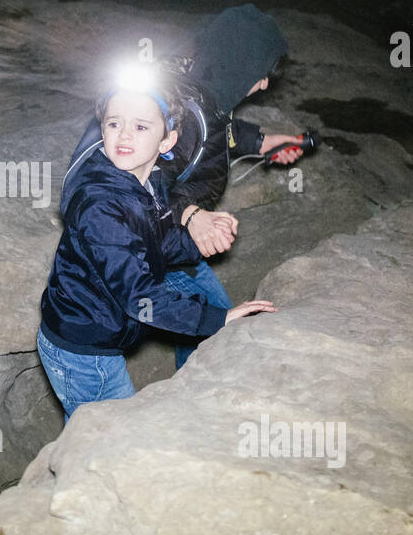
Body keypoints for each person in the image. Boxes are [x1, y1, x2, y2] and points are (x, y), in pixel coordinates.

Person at [60, 5, 306, 370]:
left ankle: (193, 378)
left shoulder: (191, 83)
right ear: (239, 61)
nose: (265, 84)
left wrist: (262, 141)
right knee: (214, 322)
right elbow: (142, 179)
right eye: (263, 72)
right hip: (143, 233)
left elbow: (214, 131)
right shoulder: (186, 113)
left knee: (209, 318)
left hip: (156, 232)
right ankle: (197, 386)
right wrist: (192, 215)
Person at [38, 76, 276, 422]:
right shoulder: (101, 205)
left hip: (95, 333)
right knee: (113, 437)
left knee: (103, 436)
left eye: (140, 126)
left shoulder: (148, 183)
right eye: (114, 123)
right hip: (84, 351)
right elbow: (141, 300)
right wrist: (217, 318)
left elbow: (152, 242)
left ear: (168, 141)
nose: (124, 135)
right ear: (101, 129)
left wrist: (192, 244)